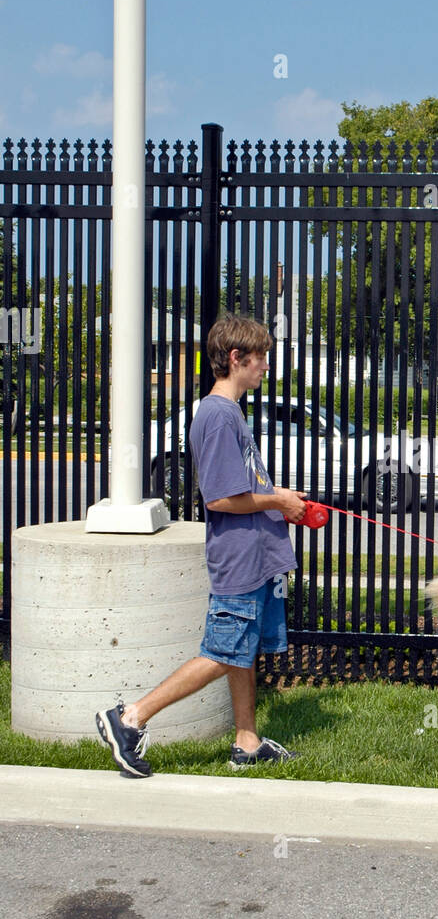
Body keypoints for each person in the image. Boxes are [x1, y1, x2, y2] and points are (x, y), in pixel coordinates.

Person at [95, 313, 308, 778]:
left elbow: (241, 486)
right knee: (221, 653)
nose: (266, 367)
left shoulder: (230, 413)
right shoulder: (215, 415)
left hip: (255, 556)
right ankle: (129, 718)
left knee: (242, 650)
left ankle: (247, 742)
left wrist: (282, 501)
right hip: (238, 558)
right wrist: (279, 500)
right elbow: (219, 497)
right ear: (236, 358)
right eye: (260, 358)